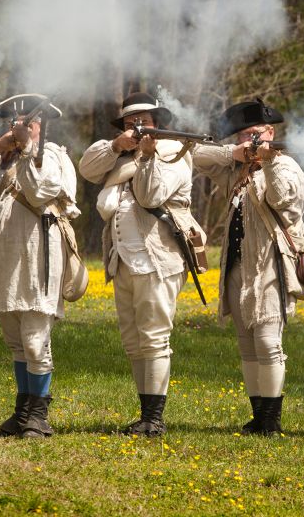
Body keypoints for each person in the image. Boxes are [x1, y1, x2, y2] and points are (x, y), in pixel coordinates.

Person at [79, 92, 204, 436]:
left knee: (154, 338)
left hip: (158, 259)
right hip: (123, 260)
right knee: (133, 341)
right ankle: (145, 411)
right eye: (132, 124)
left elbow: (150, 197)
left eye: (145, 122)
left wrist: (147, 157)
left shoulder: (173, 154)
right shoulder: (119, 155)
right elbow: (87, 168)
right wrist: (119, 146)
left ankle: (154, 418)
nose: (139, 128)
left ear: (156, 125)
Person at [0, 94, 80, 439]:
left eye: (31, 121)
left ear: (42, 126)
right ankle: (23, 412)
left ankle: (39, 414)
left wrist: (28, 150)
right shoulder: (1, 155)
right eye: (17, 120)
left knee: (35, 339)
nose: (25, 126)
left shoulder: (53, 157)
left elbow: (41, 191)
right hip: (5, 259)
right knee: (15, 340)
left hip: (40, 257)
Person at [193, 99, 304, 436]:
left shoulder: (286, 166)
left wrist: (270, 160)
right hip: (237, 267)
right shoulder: (238, 165)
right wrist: (236, 154)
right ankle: (258, 415)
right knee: (247, 345)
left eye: (257, 134)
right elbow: (196, 155)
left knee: (267, 343)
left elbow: (281, 199)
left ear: (271, 133)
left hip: (270, 266)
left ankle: (271, 421)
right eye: (245, 135)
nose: (252, 140)